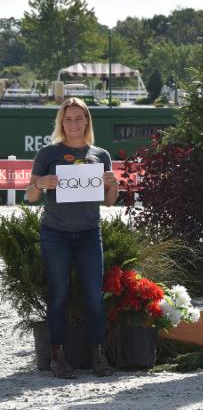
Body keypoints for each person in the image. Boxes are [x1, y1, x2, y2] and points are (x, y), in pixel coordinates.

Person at [26, 97, 117, 378]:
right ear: (61, 122)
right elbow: (31, 197)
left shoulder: (101, 155)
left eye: (79, 118)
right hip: (55, 233)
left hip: (89, 233)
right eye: (68, 119)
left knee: (94, 295)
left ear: (87, 120)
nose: (74, 123)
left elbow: (109, 202)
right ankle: (57, 357)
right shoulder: (47, 153)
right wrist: (40, 183)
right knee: (58, 294)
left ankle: (98, 355)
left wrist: (113, 184)